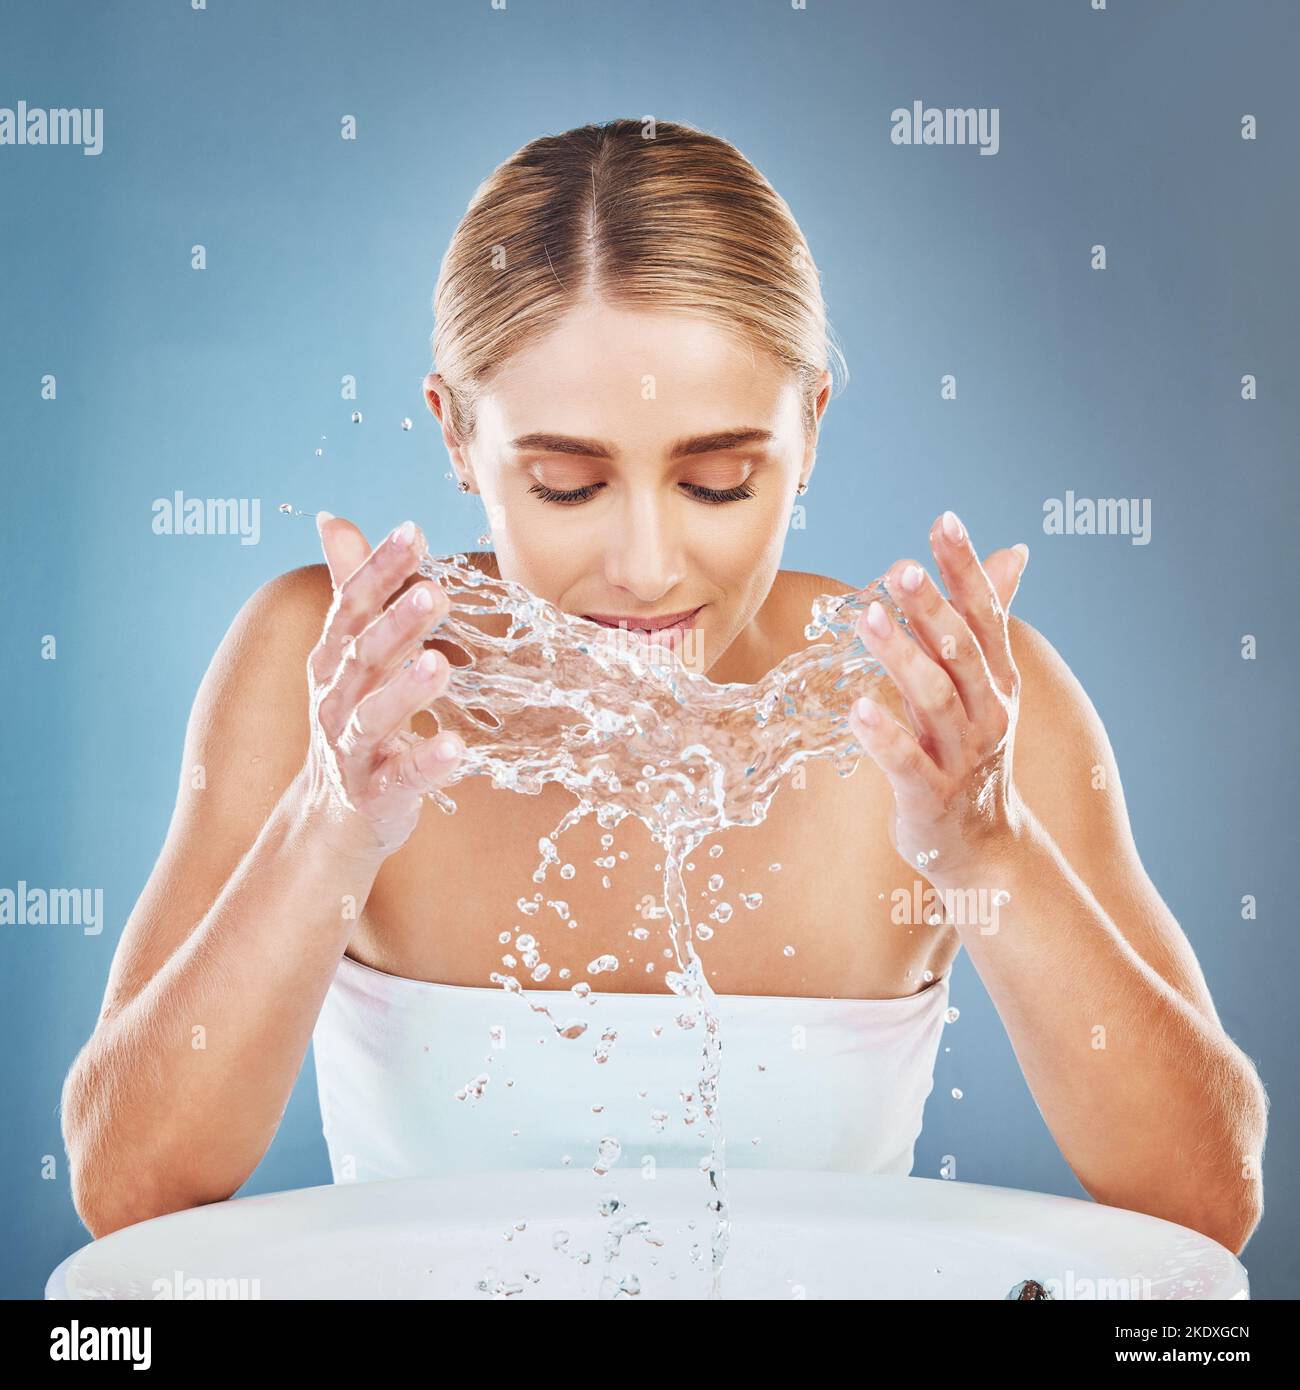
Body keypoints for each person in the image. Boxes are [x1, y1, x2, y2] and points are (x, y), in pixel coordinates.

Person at [60, 119, 1265, 1254]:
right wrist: (325, 828)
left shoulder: (956, 706)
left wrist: (989, 848)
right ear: (453, 434)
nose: (644, 570)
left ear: (812, 426)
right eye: (568, 486)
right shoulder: (329, 675)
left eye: (720, 481)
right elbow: (127, 1188)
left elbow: (1208, 1199)